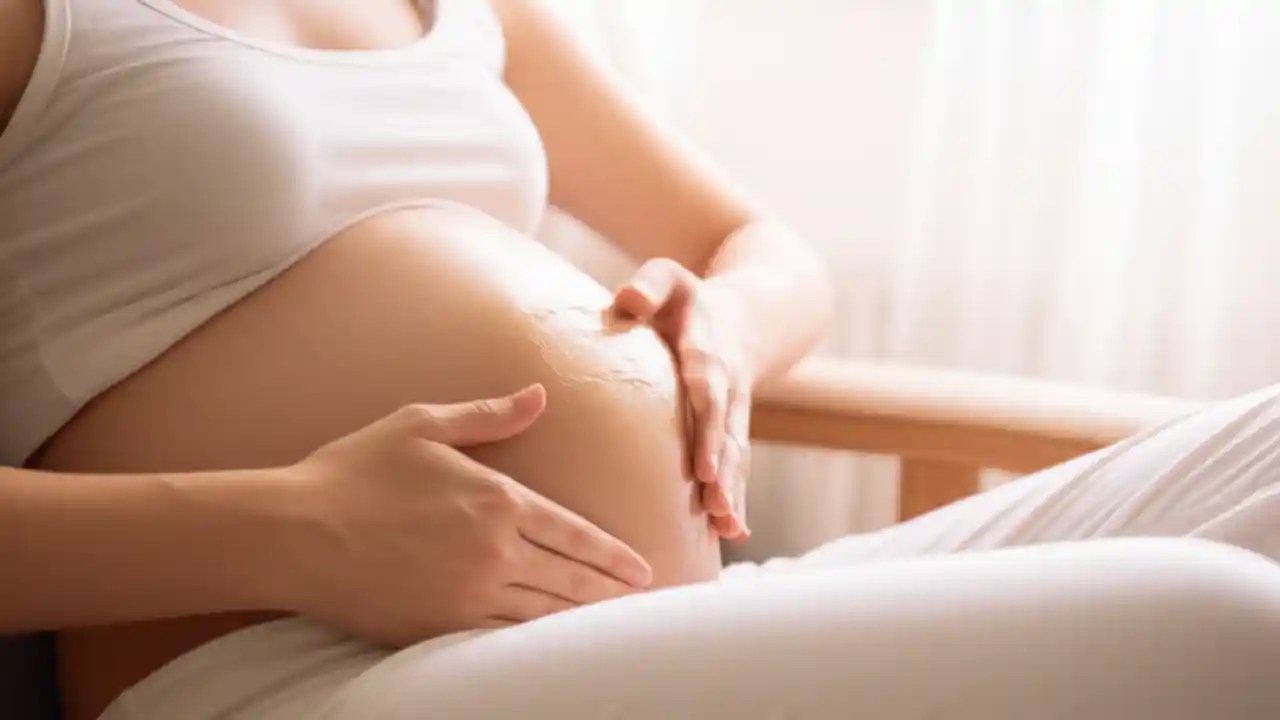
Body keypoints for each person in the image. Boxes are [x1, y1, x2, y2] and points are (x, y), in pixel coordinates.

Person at [0, 0, 1276, 718]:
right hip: (295, 671)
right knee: (1213, 627)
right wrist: (298, 529)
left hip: (657, 614)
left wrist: (726, 328)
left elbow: (759, 246)